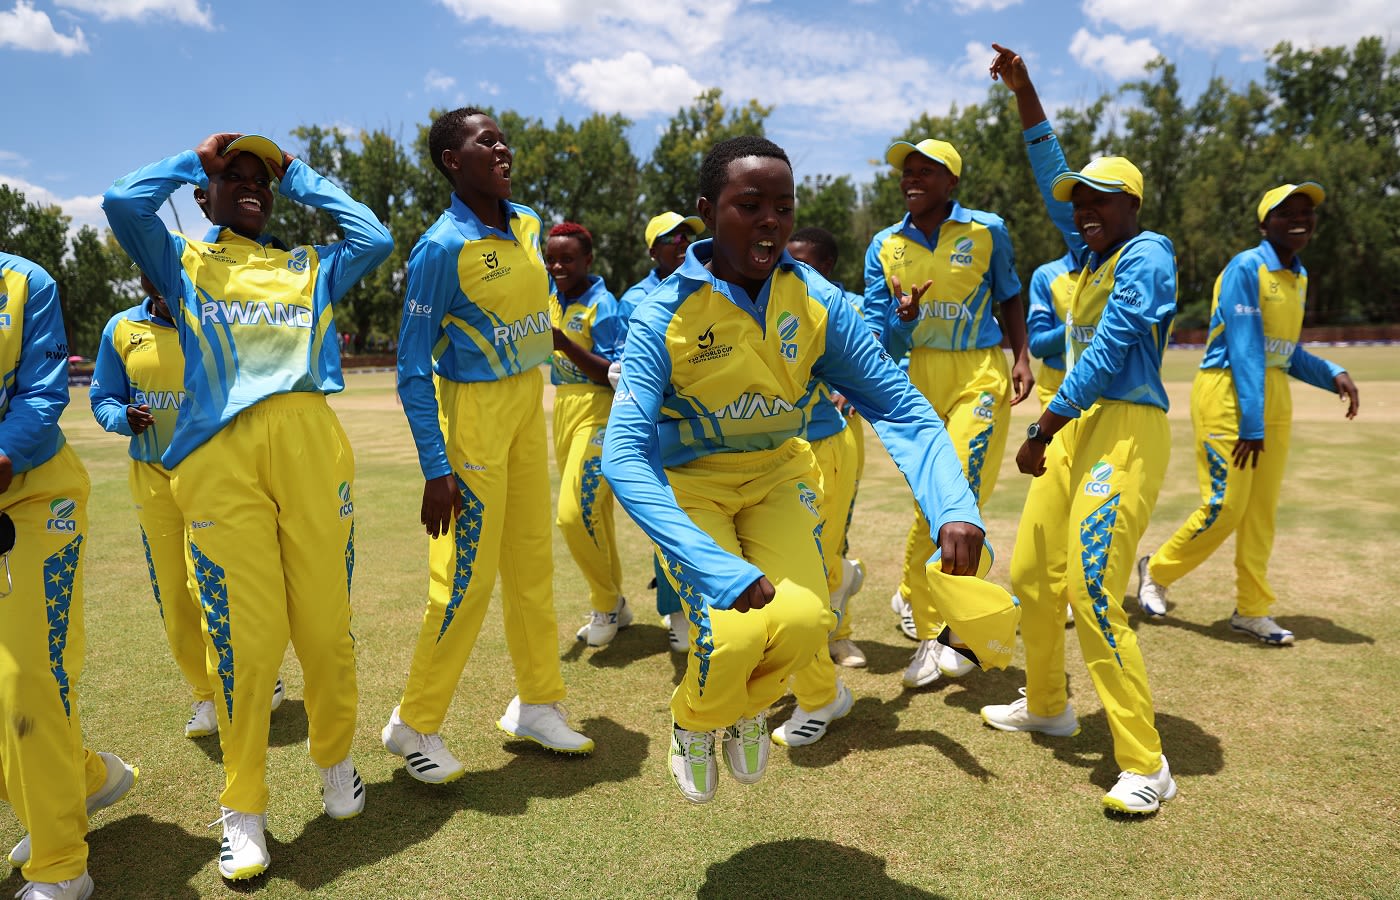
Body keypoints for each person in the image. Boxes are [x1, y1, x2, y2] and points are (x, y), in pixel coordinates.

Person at [602, 136, 1017, 803]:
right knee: (735, 634)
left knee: (803, 625)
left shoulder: (815, 300)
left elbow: (902, 409)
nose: (771, 220)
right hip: (693, 489)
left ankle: (734, 710)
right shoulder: (663, 313)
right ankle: (695, 719)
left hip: (778, 478)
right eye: (750, 205)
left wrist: (953, 506)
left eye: (784, 207)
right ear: (708, 212)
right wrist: (714, 568)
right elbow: (621, 455)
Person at [104, 131, 392, 878]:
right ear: (207, 196)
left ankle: (335, 763)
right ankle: (244, 810)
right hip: (220, 461)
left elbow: (375, 234)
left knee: (327, 633)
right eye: (237, 177)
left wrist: (299, 175)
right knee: (248, 644)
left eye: (262, 177)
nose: (252, 185)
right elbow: (120, 203)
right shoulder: (185, 262)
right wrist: (192, 161)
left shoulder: (307, 267)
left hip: (309, 449)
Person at [983, 44, 1179, 815]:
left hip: (1123, 429)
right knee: (1034, 576)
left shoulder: (1148, 252)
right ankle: (1049, 704)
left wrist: (1046, 424)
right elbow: (1047, 170)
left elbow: (1116, 344)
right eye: (1080, 203)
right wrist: (1026, 92)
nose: (1085, 210)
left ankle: (1146, 764)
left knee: (1094, 591)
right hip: (1070, 429)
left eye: (1102, 200)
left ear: (1132, 205)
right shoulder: (1087, 257)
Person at [387, 108, 594, 789]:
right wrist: (435, 466)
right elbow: (412, 367)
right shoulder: (440, 248)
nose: (503, 147)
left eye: (504, 136)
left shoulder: (530, 223)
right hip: (470, 416)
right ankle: (413, 724)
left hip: (524, 406)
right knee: (464, 580)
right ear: (452, 160)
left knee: (533, 566)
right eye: (486, 141)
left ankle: (538, 702)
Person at [1136, 184, 1360, 643]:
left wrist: (1331, 371)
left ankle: (1252, 609)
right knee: (1225, 505)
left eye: (1307, 212)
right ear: (1264, 224)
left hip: (1271, 392)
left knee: (1260, 512)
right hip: (1228, 393)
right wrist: (1251, 423)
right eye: (1287, 213)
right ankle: (1156, 569)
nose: (1300, 219)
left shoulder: (1297, 276)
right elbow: (1244, 350)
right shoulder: (1247, 267)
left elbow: (1281, 353)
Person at [865, 136, 1034, 687]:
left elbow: (1010, 293)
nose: (911, 179)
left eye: (924, 171)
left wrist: (1022, 354)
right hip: (914, 376)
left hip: (978, 372)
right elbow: (876, 324)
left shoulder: (987, 230)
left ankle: (942, 631)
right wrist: (902, 317)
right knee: (926, 504)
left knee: (957, 495)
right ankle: (922, 605)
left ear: (951, 181)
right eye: (905, 172)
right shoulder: (885, 244)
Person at [88, 273, 288, 738]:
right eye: (148, 269)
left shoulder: (213, 320)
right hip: (153, 476)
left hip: (216, 472)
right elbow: (103, 397)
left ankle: (258, 674)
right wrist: (122, 417)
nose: (159, 280)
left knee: (225, 586)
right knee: (175, 595)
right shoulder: (121, 329)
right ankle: (206, 695)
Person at [1, 251, 137, 900]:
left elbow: (41, 391)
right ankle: (79, 781)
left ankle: (60, 865)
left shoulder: (26, 282)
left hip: (32, 496)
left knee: (26, 676)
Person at [617, 211, 706, 651]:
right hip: (658, 426)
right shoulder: (636, 299)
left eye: (688, 235)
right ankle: (677, 614)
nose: (682, 242)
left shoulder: (709, 283)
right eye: (671, 238)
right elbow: (623, 368)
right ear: (652, 250)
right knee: (666, 519)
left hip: (705, 423)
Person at [784, 226, 868, 669]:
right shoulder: (771, 302)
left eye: (807, 265)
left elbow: (879, 356)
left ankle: (840, 635)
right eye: (789, 262)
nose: (795, 272)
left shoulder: (846, 307)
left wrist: (851, 388)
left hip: (835, 438)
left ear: (829, 269)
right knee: (799, 549)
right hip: (783, 445)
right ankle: (807, 640)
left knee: (829, 543)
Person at [542, 222, 629, 646]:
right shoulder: (551, 299)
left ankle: (605, 603)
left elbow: (616, 373)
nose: (558, 265)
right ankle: (619, 606)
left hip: (599, 410)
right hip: (562, 407)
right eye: (551, 258)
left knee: (573, 514)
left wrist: (564, 344)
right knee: (597, 513)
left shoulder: (603, 305)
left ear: (588, 260)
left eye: (568, 258)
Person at [616, 212, 706, 322]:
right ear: (654, 253)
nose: (684, 243)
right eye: (673, 237)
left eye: (688, 236)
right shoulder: (633, 302)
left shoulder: (709, 288)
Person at [1027, 251, 1081, 409]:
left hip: (1109, 388)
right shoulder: (1046, 275)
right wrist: (1079, 328)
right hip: (1057, 388)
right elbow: (1037, 345)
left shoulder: (1119, 268)